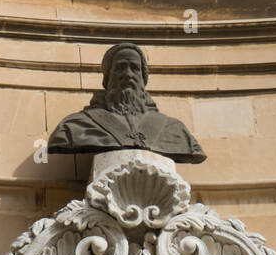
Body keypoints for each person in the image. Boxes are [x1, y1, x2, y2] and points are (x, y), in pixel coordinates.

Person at [47, 42, 207, 164]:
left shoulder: (175, 130)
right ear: (107, 77)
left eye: (134, 68)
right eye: (120, 68)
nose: (128, 74)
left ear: (143, 79)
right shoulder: (74, 127)